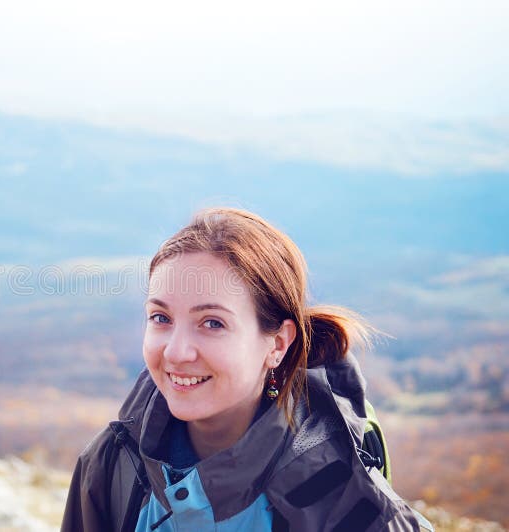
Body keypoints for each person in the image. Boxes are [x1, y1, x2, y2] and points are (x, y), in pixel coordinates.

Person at [61, 208, 431, 531]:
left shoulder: (340, 499)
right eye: (160, 317)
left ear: (277, 344)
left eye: (212, 323)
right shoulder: (112, 465)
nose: (176, 351)